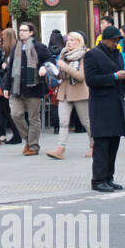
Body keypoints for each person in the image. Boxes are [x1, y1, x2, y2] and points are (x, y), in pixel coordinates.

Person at [84, 27, 125, 192]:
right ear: (105, 39)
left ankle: (109, 177)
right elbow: (91, 80)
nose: (116, 43)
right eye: (113, 40)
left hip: (116, 104)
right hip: (101, 106)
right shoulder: (92, 55)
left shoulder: (117, 54)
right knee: (102, 145)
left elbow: (119, 76)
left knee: (113, 144)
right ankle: (98, 180)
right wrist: (115, 76)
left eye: (118, 41)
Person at [2, 20, 52, 156]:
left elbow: (50, 61)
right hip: (16, 87)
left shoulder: (39, 47)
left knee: (33, 118)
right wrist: (6, 87)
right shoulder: (16, 47)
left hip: (33, 87)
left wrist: (43, 66)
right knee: (15, 114)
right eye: (20, 30)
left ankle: (34, 146)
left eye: (24, 30)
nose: (21, 32)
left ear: (31, 32)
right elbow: (11, 68)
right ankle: (28, 140)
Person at [48, 32, 91, 160]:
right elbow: (60, 75)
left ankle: (94, 145)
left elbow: (80, 76)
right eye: (68, 40)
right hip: (64, 92)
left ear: (79, 42)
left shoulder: (84, 55)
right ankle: (60, 149)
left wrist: (65, 67)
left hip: (79, 92)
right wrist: (50, 70)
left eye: (73, 40)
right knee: (63, 121)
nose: (69, 42)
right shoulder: (64, 54)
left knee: (86, 121)